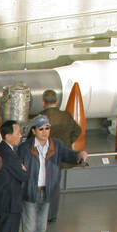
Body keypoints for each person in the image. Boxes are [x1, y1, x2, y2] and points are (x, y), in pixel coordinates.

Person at [15, 114, 87, 232]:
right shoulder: (25, 148)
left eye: (47, 128)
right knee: (29, 228)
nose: (45, 132)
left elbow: (70, 155)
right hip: (30, 193)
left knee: (41, 228)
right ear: (34, 131)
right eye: (41, 129)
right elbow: (17, 167)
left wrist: (79, 156)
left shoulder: (57, 146)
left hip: (46, 192)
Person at [34, 89, 80, 222]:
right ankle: (52, 215)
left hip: (44, 156)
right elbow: (77, 130)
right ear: (57, 101)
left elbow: (34, 137)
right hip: (60, 156)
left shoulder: (40, 117)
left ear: (43, 102)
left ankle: (41, 212)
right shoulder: (66, 116)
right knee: (54, 186)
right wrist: (67, 143)